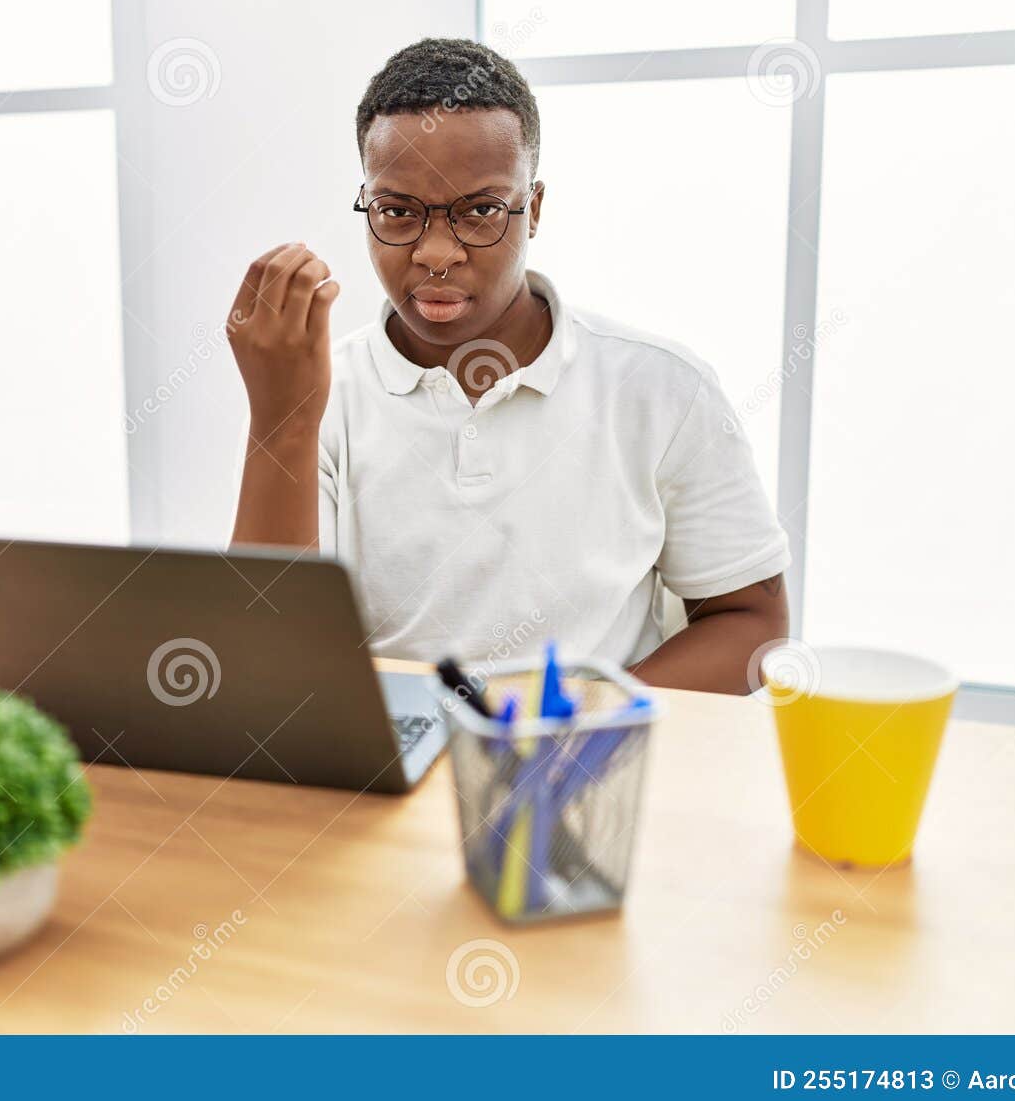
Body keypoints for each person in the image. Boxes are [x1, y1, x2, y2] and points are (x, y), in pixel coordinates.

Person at [226, 38, 789, 694]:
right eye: (398, 212)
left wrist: (574, 722)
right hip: (384, 755)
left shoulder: (660, 388)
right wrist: (282, 417)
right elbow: (265, 667)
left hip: (590, 745)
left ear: (534, 209)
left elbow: (751, 620)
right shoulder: (324, 394)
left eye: (481, 211)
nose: (437, 253)